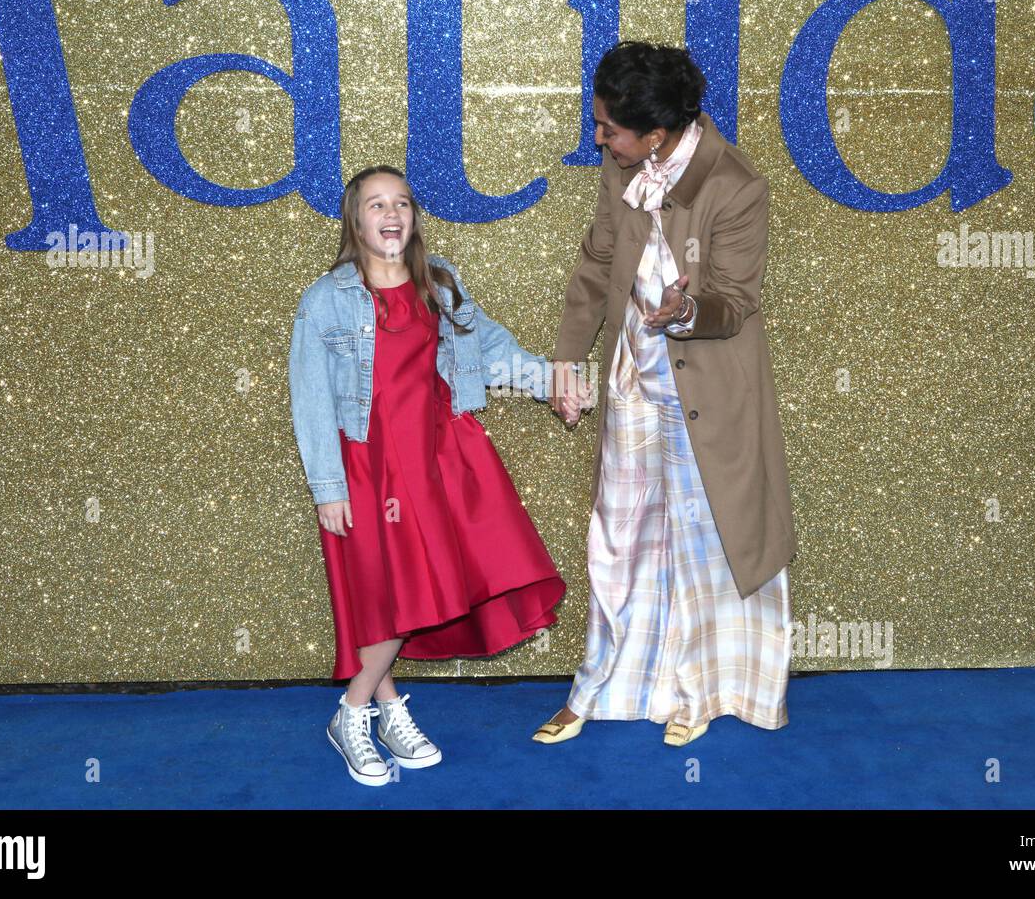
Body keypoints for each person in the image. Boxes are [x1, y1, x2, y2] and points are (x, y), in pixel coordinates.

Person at [538, 41, 799, 747]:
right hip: (635, 383)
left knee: (704, 539)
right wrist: (569, 359)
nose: (598, 137)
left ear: (656, 133)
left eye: (609, 129)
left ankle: (701, 691)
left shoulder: (736, 185)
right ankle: (605, 684)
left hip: (708, 389)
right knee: (619, 536)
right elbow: (598, 259)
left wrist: (684, 312)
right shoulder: (621, 164)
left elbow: (736, 301)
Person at [289, 166, 572, 785]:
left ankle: (362, 710)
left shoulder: (438, 284)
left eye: (402, 203)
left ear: (413, 216)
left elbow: (489, 348)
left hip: (434, 461)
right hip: (365, 465)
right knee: (381, 595)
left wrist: (552, 379)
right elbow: (309, 398)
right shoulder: (326, 299)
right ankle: (370, 709)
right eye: (375, 204)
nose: (391, 214)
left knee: (420, 586)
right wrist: (328, 487)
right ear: (355, 220)